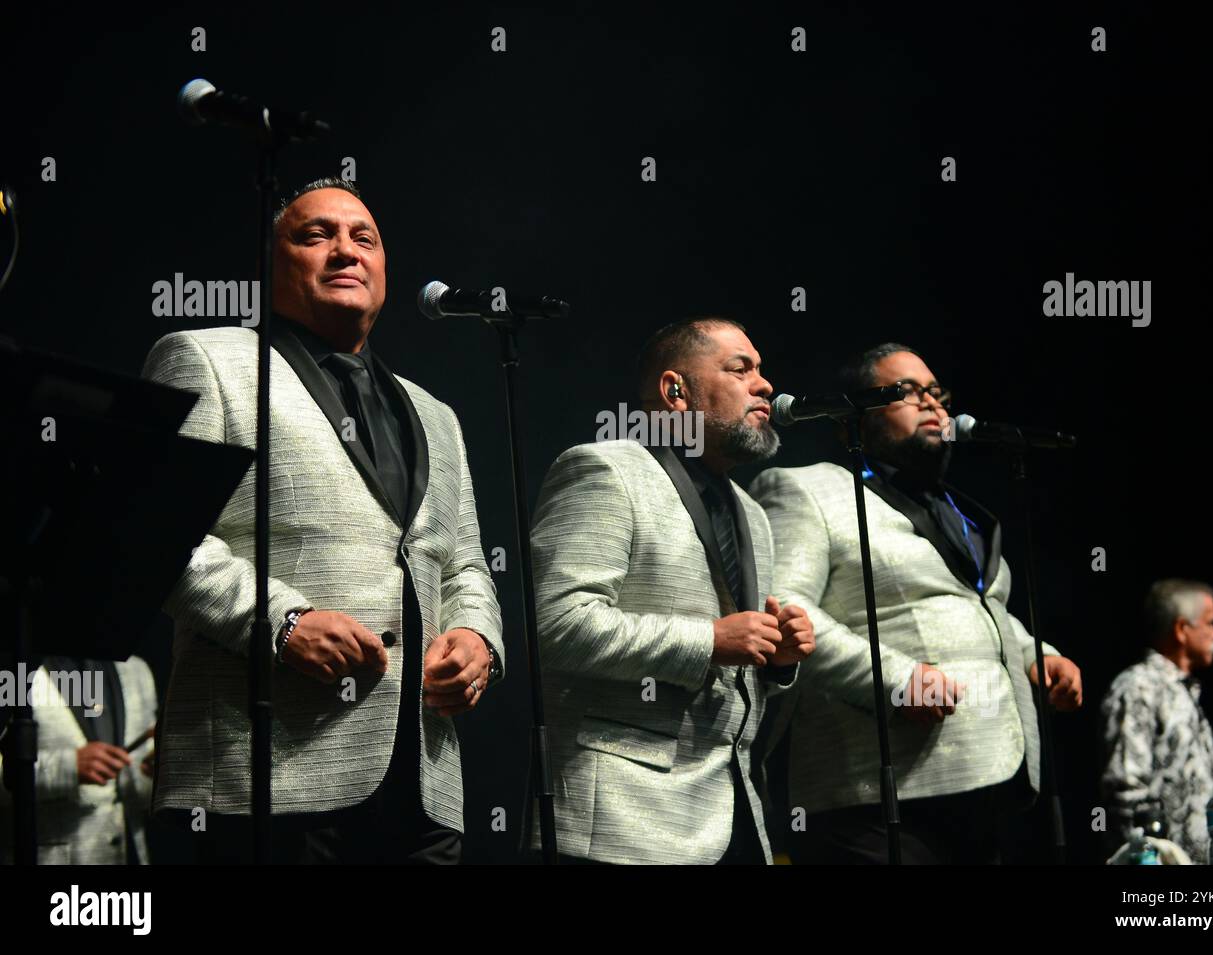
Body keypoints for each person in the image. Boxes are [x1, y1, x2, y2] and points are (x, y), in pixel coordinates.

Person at [141, 178, 503, 863]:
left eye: (363, 237)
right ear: (272, 263)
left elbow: (466, 564)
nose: (345, 251)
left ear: (386, 267)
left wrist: (479, 639)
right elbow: (158, 534)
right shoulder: (206, 359)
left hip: (421, 781)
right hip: (261, 778)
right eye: (316, 235)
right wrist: (282, 621)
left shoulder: (437, 415)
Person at [749, 342, 1083, 864]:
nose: (932, 404)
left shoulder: (957, 509)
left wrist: (1038, 653)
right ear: (852, 419)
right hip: (875, 800)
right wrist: (896, 680)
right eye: (906, 392)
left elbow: (980, 605)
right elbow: (785, 607)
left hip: (986, 782)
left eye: (936, 392)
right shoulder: (807, 489)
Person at [529, 317, 814, 864]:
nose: (766, 385)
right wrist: (709, 640)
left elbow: (736, 665)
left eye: (762, 369)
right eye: (741, 369)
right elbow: (556, 626)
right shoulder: (604, 468)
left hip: (733, 809)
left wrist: (776, 657)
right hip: (619, 819)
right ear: (675, 392)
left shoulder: (752, 512)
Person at [1099, 579, 1213, 864]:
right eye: (1210, 623)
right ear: (1181, 629)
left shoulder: (1183, 692)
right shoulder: (1137, 688)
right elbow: (1125, 792)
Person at [0, 656, 156, 864]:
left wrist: (157, 773)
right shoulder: (11, 667)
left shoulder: (136, 668)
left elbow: (144, 787)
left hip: (131, 856)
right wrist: (65, 768)